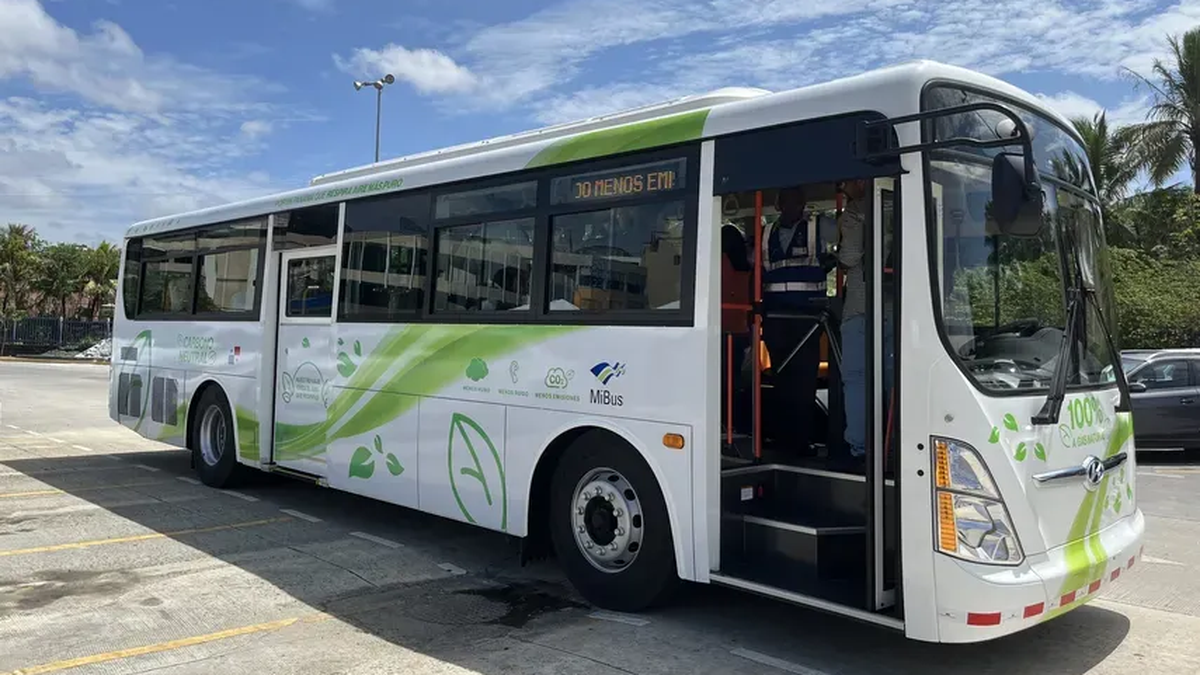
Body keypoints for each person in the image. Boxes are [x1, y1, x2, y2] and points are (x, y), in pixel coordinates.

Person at [761, 186, 829, 454]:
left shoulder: (819, 227)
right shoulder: (766, 233)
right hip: (776, 319)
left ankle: (801, 442)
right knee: (781, 380)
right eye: (788, 202)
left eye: (798, 202)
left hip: (807, 320)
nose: (794, 207)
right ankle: (783, 440)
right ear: (778, 205)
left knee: (803, 381)